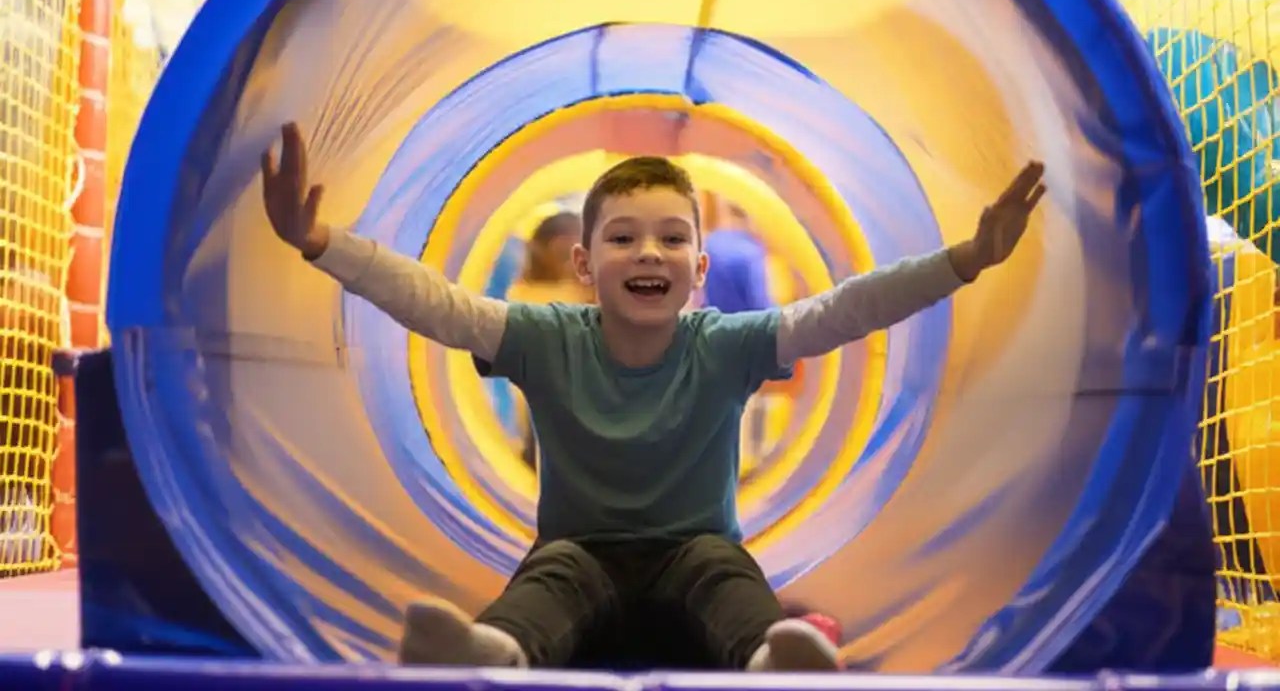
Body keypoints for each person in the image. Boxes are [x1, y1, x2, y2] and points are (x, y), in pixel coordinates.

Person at [260, 122, 1046, 671]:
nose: (650, 251)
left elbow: (843, 309)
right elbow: (435, 303)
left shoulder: (725, 345)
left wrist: (967, 259)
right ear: (583, 261)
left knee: (723, 573)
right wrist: (320, 242)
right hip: (583, 557)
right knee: (550, 578)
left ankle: (777, 660)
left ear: (701, 270)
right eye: (625, 236)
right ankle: (490, 656)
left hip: (688, 557)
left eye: (673, 237)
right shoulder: (546, 338)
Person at [506, 211, 593, 468]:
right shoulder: (527, 297)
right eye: (563, 253)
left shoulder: (521, 293)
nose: (570, 264)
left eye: (575, 255)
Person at [702, 202, 775, 470]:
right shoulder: (751, 251)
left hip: (713, 333)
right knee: (751, 401)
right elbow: (760, 301)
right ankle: (749, 462)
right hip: (748, 336)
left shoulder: (708, 245)